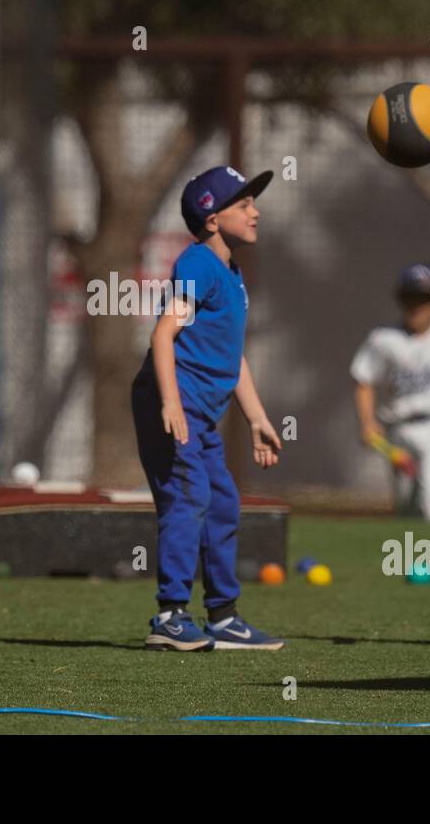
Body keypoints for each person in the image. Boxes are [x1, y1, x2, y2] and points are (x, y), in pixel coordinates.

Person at [131, 166, 285, 651]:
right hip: (172, 406)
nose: (255, 211)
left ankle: (222, 616)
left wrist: (258, 419)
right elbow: (163, 333)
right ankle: (170, 615)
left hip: (198, 413)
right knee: (190, 496)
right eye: (244, 205)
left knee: (223, 503)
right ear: (212, 218)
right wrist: (171, 403)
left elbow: (231, 359)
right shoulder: (197, 263)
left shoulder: (231, 273)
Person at [352, 264, 430, 525]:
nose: (416, 306)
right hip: (399, 429)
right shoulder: (383, 339)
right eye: (410, 298)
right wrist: (367, 422)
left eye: (424, 299)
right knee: (406, 503)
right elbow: (364, 381)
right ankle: (413, 563)